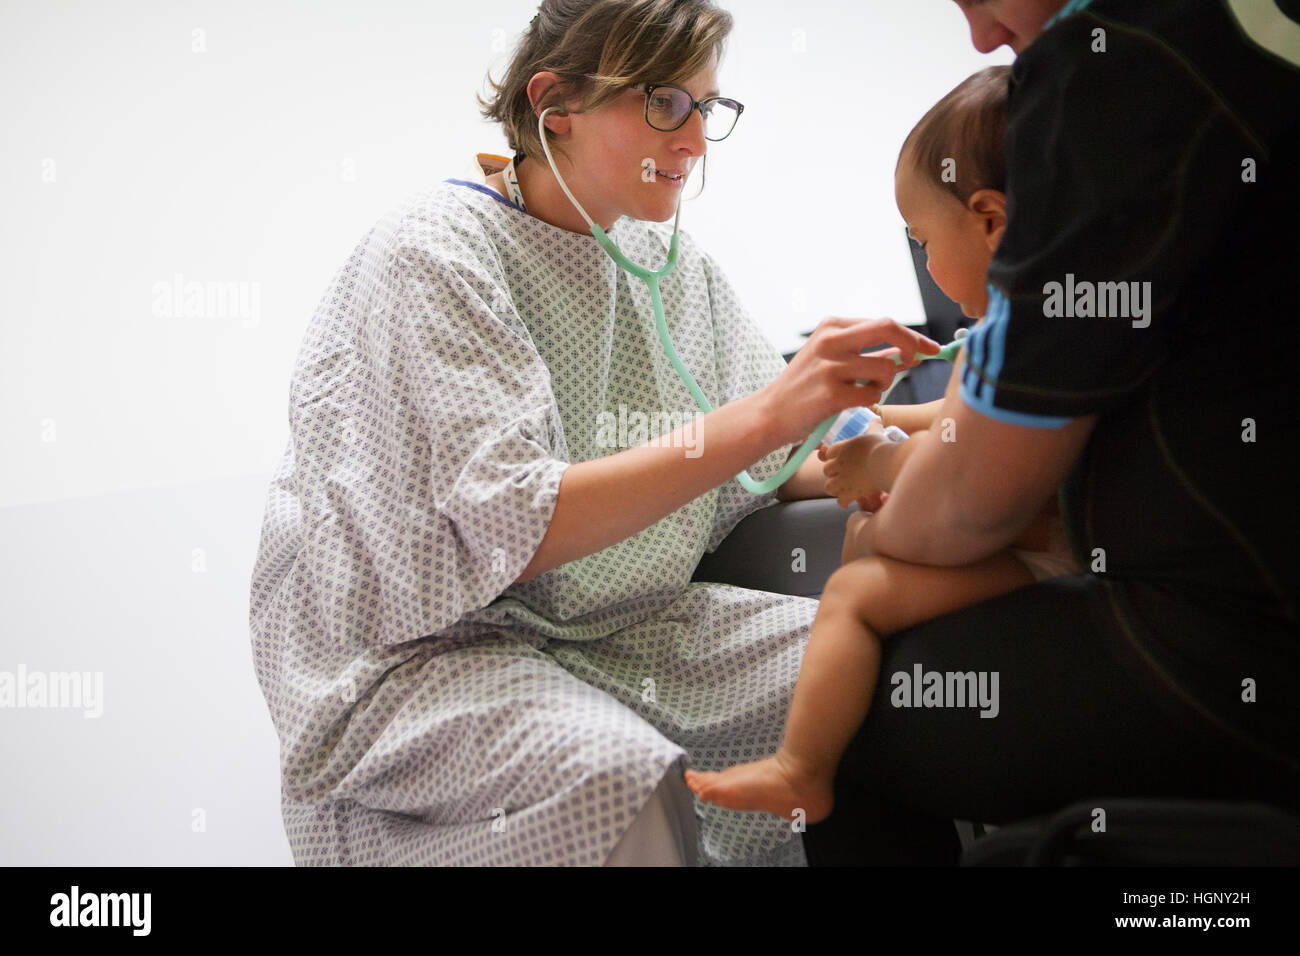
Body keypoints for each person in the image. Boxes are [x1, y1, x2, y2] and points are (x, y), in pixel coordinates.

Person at [248, 0, 936, 867]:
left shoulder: (671, 267)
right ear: (555, 105)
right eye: (662, 103)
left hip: (617, 633)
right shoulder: (434, 255)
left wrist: (944, 440)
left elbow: (785, 457)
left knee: (885, 672)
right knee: (614, 775)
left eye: (706, 108)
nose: (691, 139)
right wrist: (774, 410)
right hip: (424, 663)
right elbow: (520, 523)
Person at [797, 0, 1300, 865]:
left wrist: (877, 522)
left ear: (993, 221)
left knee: (861, 719)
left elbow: (972, 505)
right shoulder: (1235, 58)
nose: (981, 34)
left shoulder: (1116, 72)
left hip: (1231, 639)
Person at [685, 65, 1084, 824]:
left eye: (924, 238)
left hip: (1048, 559)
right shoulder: (1040, 323)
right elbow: (954, 419)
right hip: (1054, 551)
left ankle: (804, 768)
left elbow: (977, 457)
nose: (923, 262)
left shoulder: (1017, 338)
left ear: (991, 223)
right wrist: (873, 426)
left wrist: (882, 463)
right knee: (867, 552)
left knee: (854, 594)